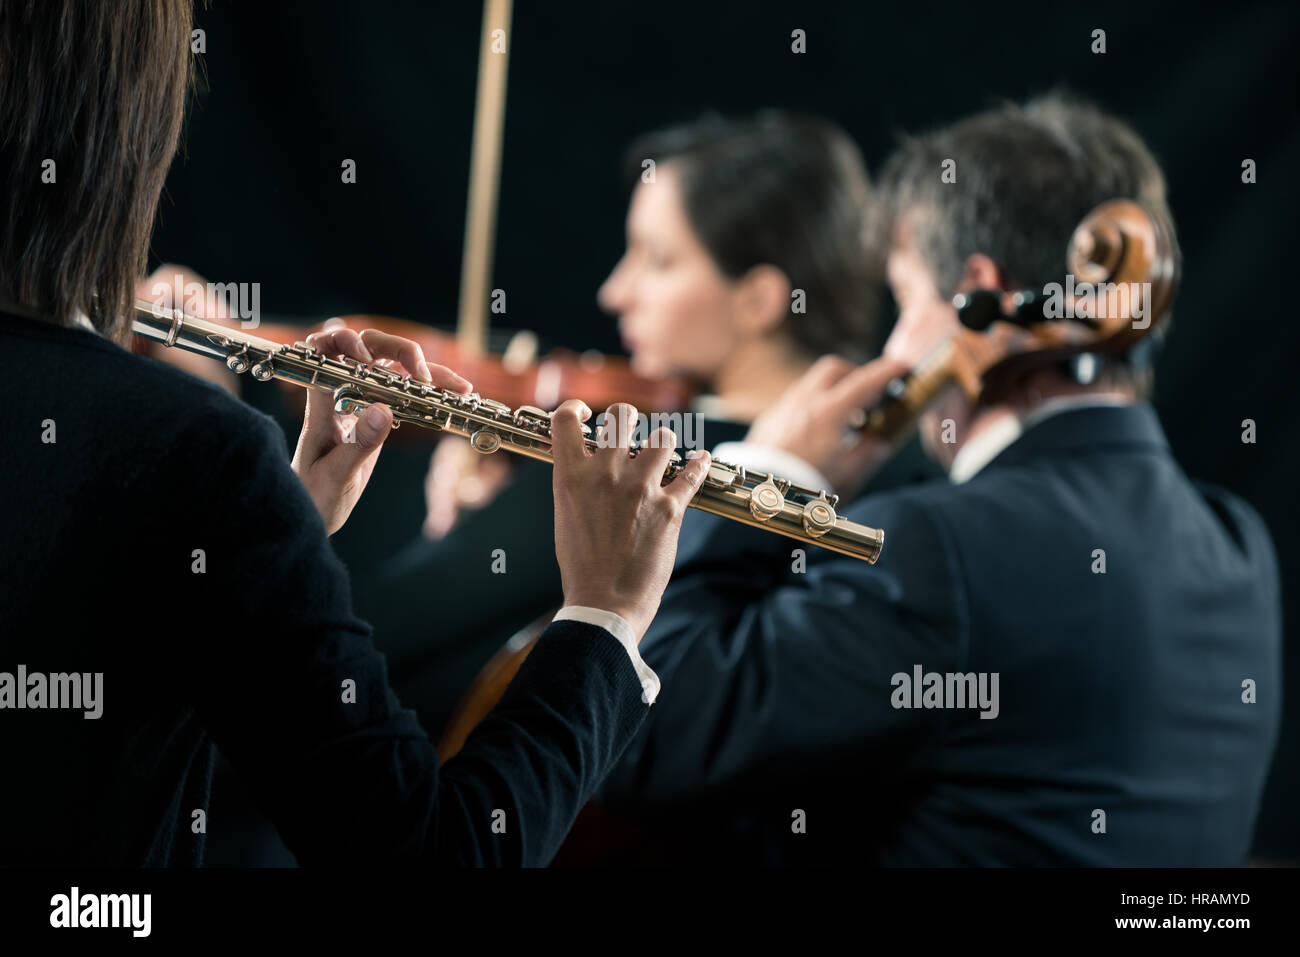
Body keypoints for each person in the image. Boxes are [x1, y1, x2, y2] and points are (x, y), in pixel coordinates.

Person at [0, 0, 711, 866]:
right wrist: (604, 614)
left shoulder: (197, 465)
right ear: (126, 127)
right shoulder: (194, 450)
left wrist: (261, 538)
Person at [598, 94, 1283, 866]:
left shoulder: (936, 549)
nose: (892, 345)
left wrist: (770, 473)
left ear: (971, 297)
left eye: (905, 302)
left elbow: (641, 734)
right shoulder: (1237, 543)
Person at [356, 112, 936, 738]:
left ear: (760, 299)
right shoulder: (912, 464)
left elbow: (382, 638)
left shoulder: (639, 460)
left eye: (656, 260)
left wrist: (457, 541)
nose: (613, 291)